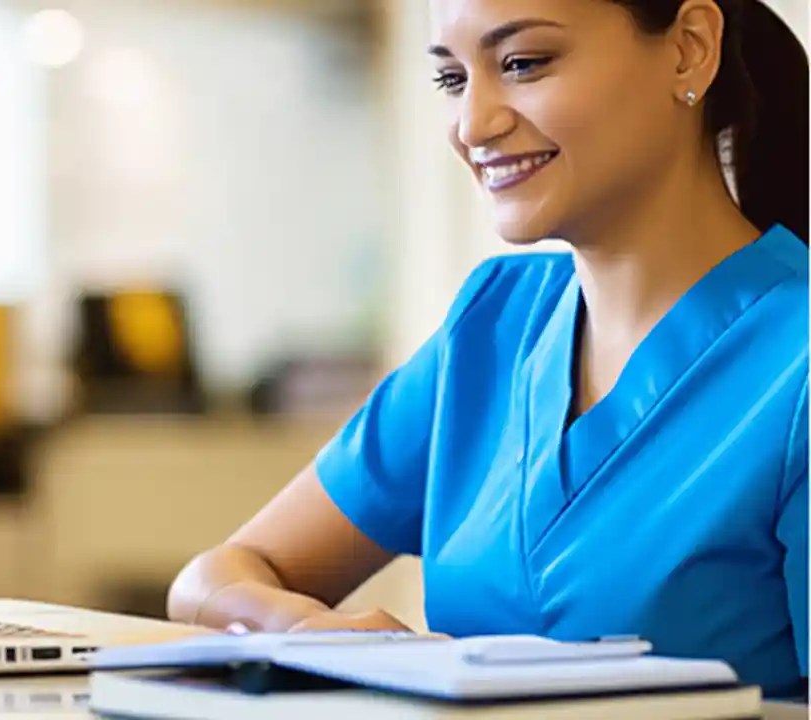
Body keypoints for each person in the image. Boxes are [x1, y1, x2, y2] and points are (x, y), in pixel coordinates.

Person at [167, 0, 809, 698]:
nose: (474, 124)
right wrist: (304, 634)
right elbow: (219, 575)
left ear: (688, 49)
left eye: (523, 64)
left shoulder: (794, 364)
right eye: (452, 81)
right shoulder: (492, 326)